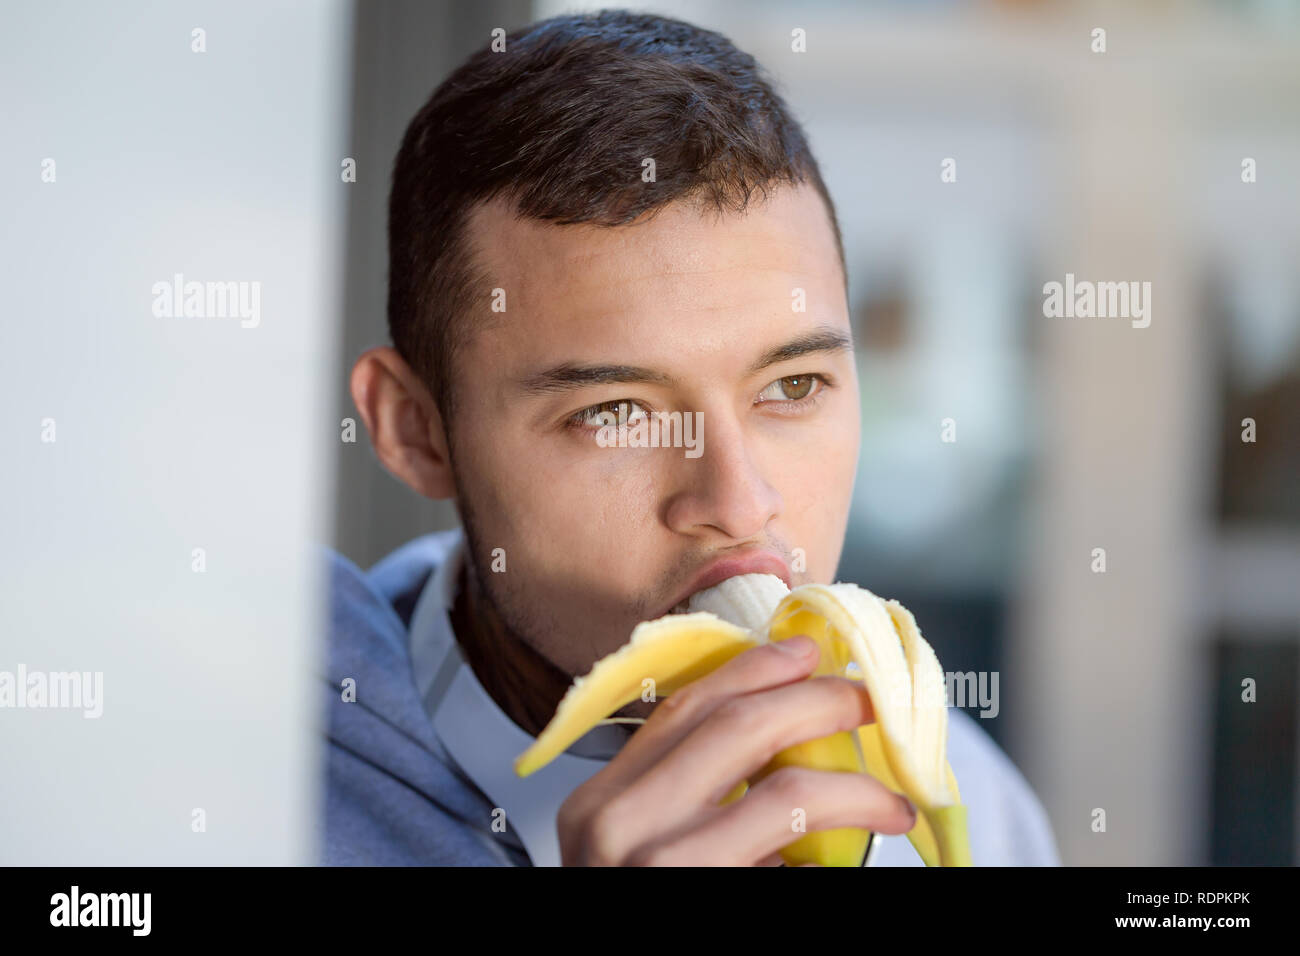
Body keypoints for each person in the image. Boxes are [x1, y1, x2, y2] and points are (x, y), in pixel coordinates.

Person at [320, 9, 1060, 867]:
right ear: (416, 431)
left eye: (792, 387)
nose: (740, 506)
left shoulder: (975, 808)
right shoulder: (231, 790)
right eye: (614, 413)